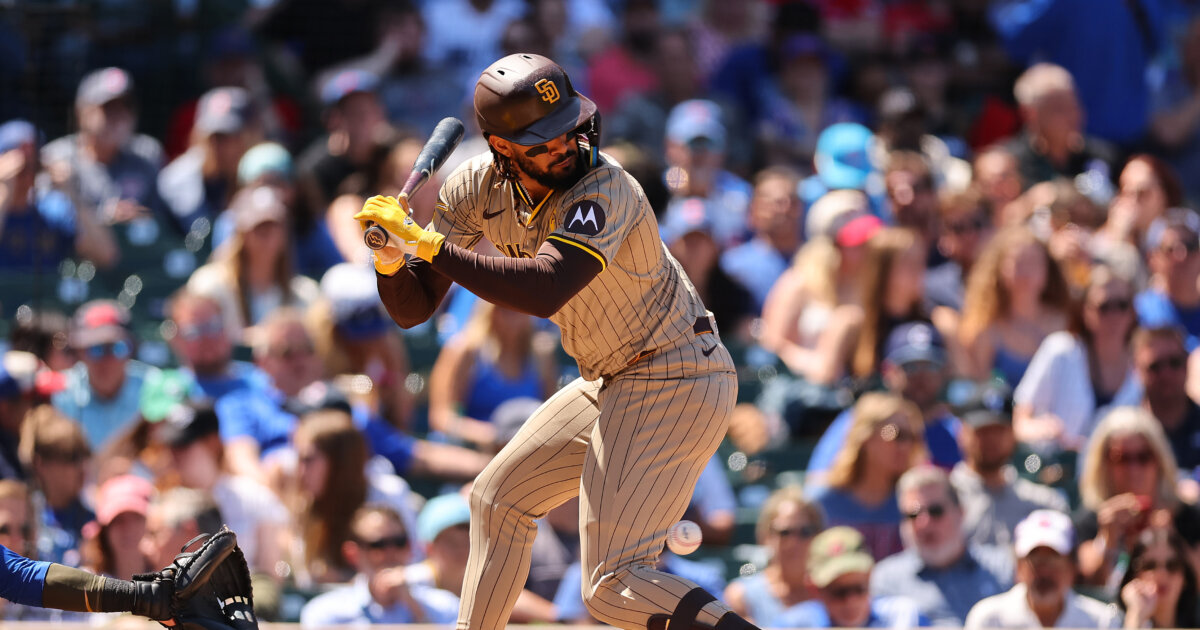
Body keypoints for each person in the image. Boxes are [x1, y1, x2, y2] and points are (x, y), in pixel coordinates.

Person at [353, 53, 752, 630]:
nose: (566, 143)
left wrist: (425, 245)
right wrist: (390, 257)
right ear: (502, 147)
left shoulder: (607, 187)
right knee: (496, 499)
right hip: (610, 379)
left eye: (569, 126)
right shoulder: (473, 188)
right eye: (544, 139)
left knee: (611, 587)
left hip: (677, 371)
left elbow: (546, 287)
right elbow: (414, 309)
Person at [807, 321, 963, 486]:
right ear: (888, 371)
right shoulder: (860, 421)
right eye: (910, 367)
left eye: (930, 366)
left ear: (944, 371)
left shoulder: (959, 430)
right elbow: (816, 483)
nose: (921, 377)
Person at [286, 409, 420, 587]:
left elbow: (412, 564)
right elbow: (308, 579)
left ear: (339, 463)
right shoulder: (306, 505)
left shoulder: (387, 495)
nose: (300, 471)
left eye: (309, 460)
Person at [1013, 266, 1142, 451]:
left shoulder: (1145, 363)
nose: (1114, 316)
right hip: (1056, 475)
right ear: (1085, 311)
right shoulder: (1060, 351)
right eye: (1104, 307)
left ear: (1132, 312)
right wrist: (1044, 430)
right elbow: (1020, 422)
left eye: (1121, 305)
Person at [1073, 407, 1200, 590]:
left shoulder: (1184, 515)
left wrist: (1171, 538)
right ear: (1104, 464)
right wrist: (1108, 539)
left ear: (1159, 460)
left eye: (1143, 457)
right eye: (1121, 458)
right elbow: (1086, 585)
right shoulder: (1094, 519)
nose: (1133, 470)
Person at [871, 466, 1014, 626]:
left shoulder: (1003, 570)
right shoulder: (885, 581)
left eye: (935, 511)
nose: (923, 523)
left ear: (961, 512)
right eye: (913, 515)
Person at [187, 185, 320, 342]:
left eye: (274, 226)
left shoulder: (305, 293)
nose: (268, 235)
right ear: (241, 235)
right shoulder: (209, 285)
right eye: (259, 228)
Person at [808, 393, 927, 560]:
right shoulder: (822, 503)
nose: (905, 446)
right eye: (896, 434)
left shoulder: (916, 504)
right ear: (865, 436)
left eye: (912, 437)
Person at [949, 383, 1069, 547]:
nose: (991, 440)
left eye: (999, 430)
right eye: (982, 431)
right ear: (961, 432)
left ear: (1012, 432)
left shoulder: (1043, 504)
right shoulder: (942, 501)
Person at [299, 504, 459, 627]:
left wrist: (414, 608)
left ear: (410, 547)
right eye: (378, 545)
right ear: (352, 554)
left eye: (399, 542)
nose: (390, 553)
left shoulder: (446, 607)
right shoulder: (325, 613)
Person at [428, 299, 558, 450]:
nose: (513, 315)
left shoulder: (541, 355)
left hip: (526, 451)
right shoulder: (465, 351)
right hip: (473, 453)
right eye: (504, 309)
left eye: (520, 308)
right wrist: (493, 436)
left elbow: (552, 415)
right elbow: (441, 417)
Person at [964, 509, 1120, 629]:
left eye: (1053, 561)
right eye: (1035, 562)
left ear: (1072, 567)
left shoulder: (1102, 621)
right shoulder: (988, 619)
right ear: (1018, 567)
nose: (1044, 572)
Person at [959, 227, 1071, 386]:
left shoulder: (1064, 324)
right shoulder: (985, 331)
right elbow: (979, 391)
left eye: (1033, 263)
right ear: (1000, 270)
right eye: (1018, 263)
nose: (1025, 273)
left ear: (1048, 270)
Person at [51, 300, 158, 452]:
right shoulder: (61, 393)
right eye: (96, 349)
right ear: (79, 352)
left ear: (131, 350)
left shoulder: (154, 387)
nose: (107, 360)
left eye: (117, 348)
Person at [769, 526, 924, 629]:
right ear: (814, 589)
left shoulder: (904, 617)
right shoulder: (791, 626)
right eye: (839, 592)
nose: (851, 600)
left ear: (870, 577)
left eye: (859, 588)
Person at [723, 486, 825, 626]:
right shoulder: (741, 596)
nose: (794, 542)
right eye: (784, 532)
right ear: (766, 536)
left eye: (805, 532)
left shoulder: (837, 592)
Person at [719, 167, 804, 314]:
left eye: (792, 201)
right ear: (755, 209)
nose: (785, 209)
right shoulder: (733, 266)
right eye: (777, 202)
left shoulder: (816, 260)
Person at [23, 407, 93, 567]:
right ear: (40, 464)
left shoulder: (96, 519)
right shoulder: (23, 520)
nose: (81, 467)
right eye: (71, 456)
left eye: (84, 455)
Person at [1133, 326, 1200, 472]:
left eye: (1175, 362)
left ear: (1187, 364)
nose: (1166, 374)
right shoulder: (1128, 435)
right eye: (1155, 366)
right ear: (1137, 371)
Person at [1135, 208, 1200, 350]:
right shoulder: (1138, 313)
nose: (1182, 255)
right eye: (1171, 249)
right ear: (1152, 259)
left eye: (1190, 246)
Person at [1117, 528, 1199, 629]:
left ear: (1185, 577)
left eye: (1172, 566)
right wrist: (1136, 615)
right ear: (1134, 575)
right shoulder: (1110, 622)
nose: (1161, 574)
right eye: (1150, 566)